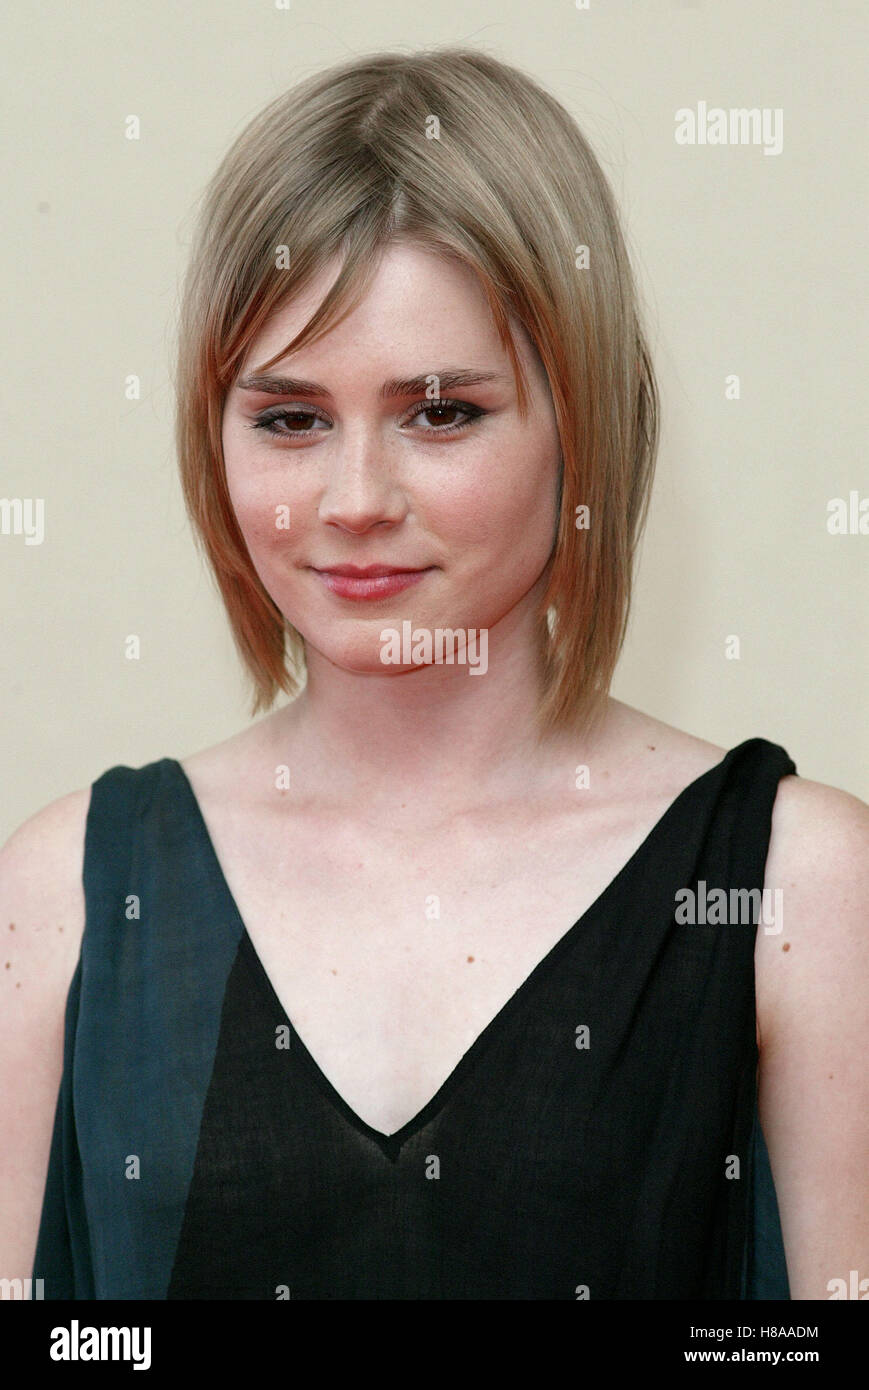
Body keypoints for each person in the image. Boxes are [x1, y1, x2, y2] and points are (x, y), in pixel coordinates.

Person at [2, 46, 867, 1302]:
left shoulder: (801, 888)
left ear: (583, 422)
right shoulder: (62, 901)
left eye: (441, 411)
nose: (353, 501)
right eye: (290, 418)